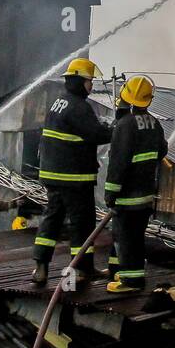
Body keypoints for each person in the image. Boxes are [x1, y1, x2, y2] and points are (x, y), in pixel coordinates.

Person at [31, 59, 111, 285]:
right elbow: (97, 135)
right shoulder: (79, 106)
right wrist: (116, 129)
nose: (91, 86)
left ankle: (40, 267)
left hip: (53, 176)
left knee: (51, 219)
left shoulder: (58, 103)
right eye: (88, 81)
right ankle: (83, 269)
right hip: (75, 178)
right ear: (77, 81)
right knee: (82, 224)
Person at [103, 76, 167, 293]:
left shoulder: (125, 125)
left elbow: (118, 164)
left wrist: (110, 193)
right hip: (146, 196)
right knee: (134, 237)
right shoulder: (154, 123)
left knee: (126, 237)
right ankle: (119, 271)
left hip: (127, 196)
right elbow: (162, 150)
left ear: (125, 96)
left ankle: (131, 282)